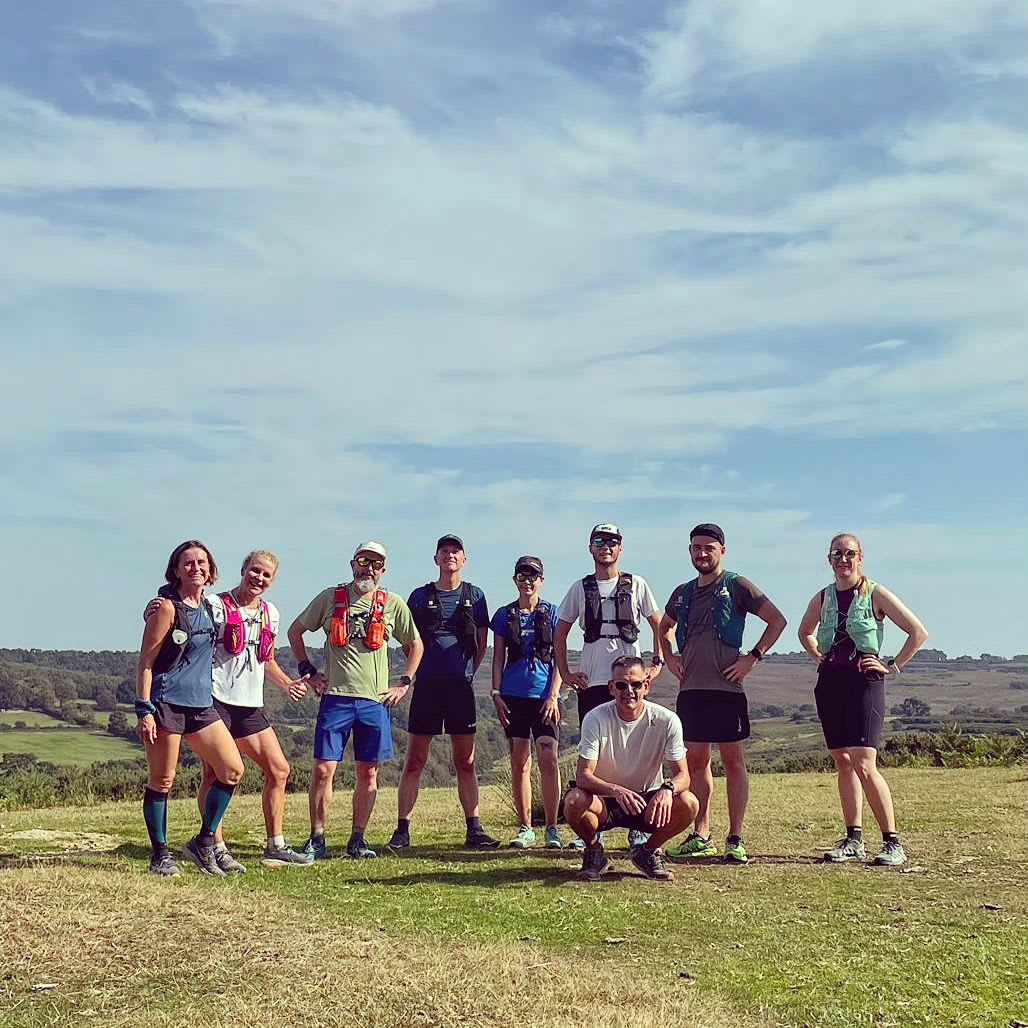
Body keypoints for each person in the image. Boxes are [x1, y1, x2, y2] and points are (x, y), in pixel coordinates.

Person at [145, 550, 313, 870]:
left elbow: (268, 659)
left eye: (266, 575)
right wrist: (153, 607)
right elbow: (182, 608)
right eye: (254, 571)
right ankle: (214, 846)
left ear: (272, 581)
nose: (258, 578)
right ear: (243, 569)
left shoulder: (270, 613)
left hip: (250, 704)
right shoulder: (217, 605)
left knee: (279, 769)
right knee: (215, 773)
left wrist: (287, 683)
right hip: (216, 699)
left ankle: (274, 844)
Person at [659, 523, 787, 865]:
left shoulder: (738, 585)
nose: (702, 554)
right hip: (692, 691)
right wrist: (669, 657)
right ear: (690, 552)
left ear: (722, 551)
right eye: (696, 548)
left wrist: (753, 657)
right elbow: (664, 626)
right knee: (697, 762)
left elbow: (777, 620)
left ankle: (736, 837)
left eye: (709, 548)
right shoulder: (682, 592)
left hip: (727, 690)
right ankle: (702, 834)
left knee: (733, 761)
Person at [798, 532, 928, 867]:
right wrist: (818, 657)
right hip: (830, 683)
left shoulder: (876, 594)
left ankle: (892, 842)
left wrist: (891, 665)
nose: (843, 559)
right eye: (836, 554)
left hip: (864, 683)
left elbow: (917, 632)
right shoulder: (823, 597)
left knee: (865, 763)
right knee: (842, 760)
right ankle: (853, 839)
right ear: (829, 560)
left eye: (849, 553)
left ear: (861, 557)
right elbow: (804, 632)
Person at [287, 541, 423, 859]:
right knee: (323, 769)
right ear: (353, 564)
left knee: (368, 771)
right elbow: (295, 631)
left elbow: (416, 644)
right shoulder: (330, 598)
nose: (369, 569)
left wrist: (404, 683)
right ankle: (317, 838)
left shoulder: (392, 603)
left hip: (374, 702)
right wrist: (308, 669)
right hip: (336, 698)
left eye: (376, 564)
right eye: (364, 561)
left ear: (383, 570)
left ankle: (357, 839)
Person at [136, 540, 245, 877]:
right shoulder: (167, 608)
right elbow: (146, 662)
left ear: (211, 570)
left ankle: (205, 840)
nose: (196, 568)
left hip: (202, 706)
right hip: (167, 703)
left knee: (231, 770)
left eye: (202, 562)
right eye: (188, 563)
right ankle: (160, 856)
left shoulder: (212, 607)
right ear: (176, 570)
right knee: (163, 779)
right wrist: (144, 709)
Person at [553, 523, 663, 849]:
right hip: (593, 680)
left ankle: (638, 824)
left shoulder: (638, 584)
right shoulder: (579, 588)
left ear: (620, 547)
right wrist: (566, 672)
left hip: (629, 678)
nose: (606, 547)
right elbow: (560, 631)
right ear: (590, 548)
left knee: (638, 747)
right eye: (599, 541)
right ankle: (594, 825)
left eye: (612, 541)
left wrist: (656, 664)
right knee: (597, 755)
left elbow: (660, 625)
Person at [388, 535, 497, 851]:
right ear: (436, 558)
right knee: (415, 760)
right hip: (427, 687)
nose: (450, 555)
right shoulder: (420, 597)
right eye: (444, 551)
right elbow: (408, 639)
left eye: (455, 551)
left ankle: (474, 830)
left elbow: (481, 642)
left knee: (466, 762)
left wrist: (466, 674)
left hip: (460, 688)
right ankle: (402, 830)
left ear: (464, 559)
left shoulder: (475, 597)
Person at [563, 656, 699, 882]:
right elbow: (583, 776)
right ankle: (594, 851)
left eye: (636, 684)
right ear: (611, 688)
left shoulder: (667, 720)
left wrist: (667, 789)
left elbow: (683, 776)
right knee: (574, 801)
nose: (629, 691)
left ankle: (647, 852)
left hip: (647, 802)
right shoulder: (594, 718)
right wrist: (616, 790)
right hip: (604, 800)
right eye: (621, 685)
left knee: (689, 803)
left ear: (646, 686)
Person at [490, 556, 564, 850]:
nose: (528, 581)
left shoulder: (553, 613)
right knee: (520, 762)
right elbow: (497, 658)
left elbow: (560, 657)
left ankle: (552, 827)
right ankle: (525, 827)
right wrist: (496, 694)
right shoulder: (503, 615)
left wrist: (554, 695)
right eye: (523, 576)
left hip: (545, 698)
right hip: (513, 696)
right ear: (515, 580)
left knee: (549, 758)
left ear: (542, 580)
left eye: (533, 576)